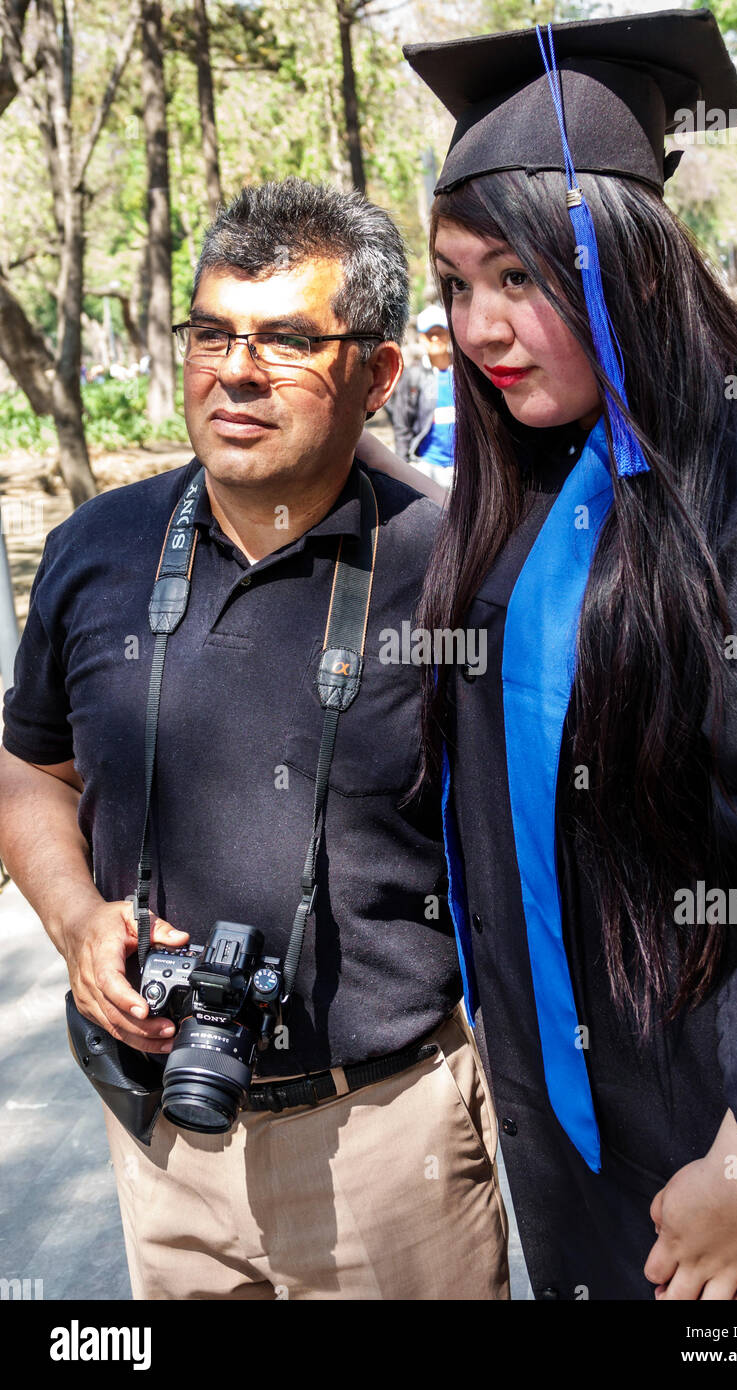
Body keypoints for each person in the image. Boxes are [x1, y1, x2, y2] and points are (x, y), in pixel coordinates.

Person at [366, 11, 737, 1300]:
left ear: (625, 263)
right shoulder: (517, 474)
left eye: (521, 276)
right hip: (581, 1145)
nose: (478, 325)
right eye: (458, 282)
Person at [0, 177, 508, 1301]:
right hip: (164, 1135)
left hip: (391, 1148)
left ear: (375, 375)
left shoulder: (459, 573)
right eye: (213, 332)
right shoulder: (95, 550)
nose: (235, 369)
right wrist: (79, 918)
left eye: (286, 341)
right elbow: (31, 764)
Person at [386, 303, 456, 485]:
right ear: (421, 338)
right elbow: (402, 424)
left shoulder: (464, 374)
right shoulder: (413, 376)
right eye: (429, 334)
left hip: (466, 467)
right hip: (428, 466)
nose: (435, 339)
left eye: (439, 332)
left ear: (448, 334)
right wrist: (402, 469)